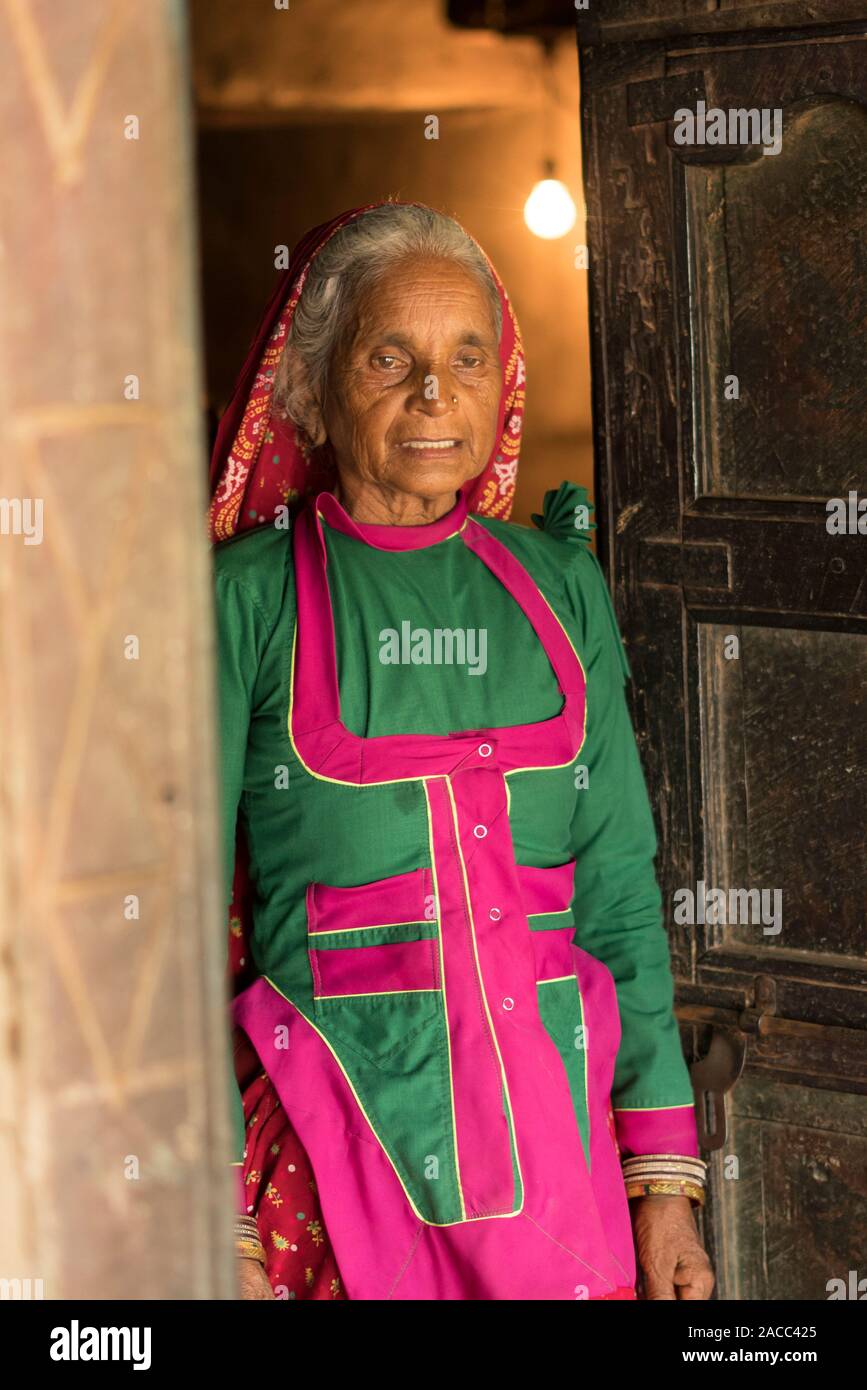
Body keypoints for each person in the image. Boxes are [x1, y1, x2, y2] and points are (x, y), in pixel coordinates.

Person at [210, 200, 714, 1301]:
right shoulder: (243, 600)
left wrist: (664, 1185)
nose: (434, 395)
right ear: (315, 381)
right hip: (326, 1176)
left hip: (562, 1184)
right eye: (392, 356)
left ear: (502, 382)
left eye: (466, 357)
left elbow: (619, 894)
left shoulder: (562, 589)